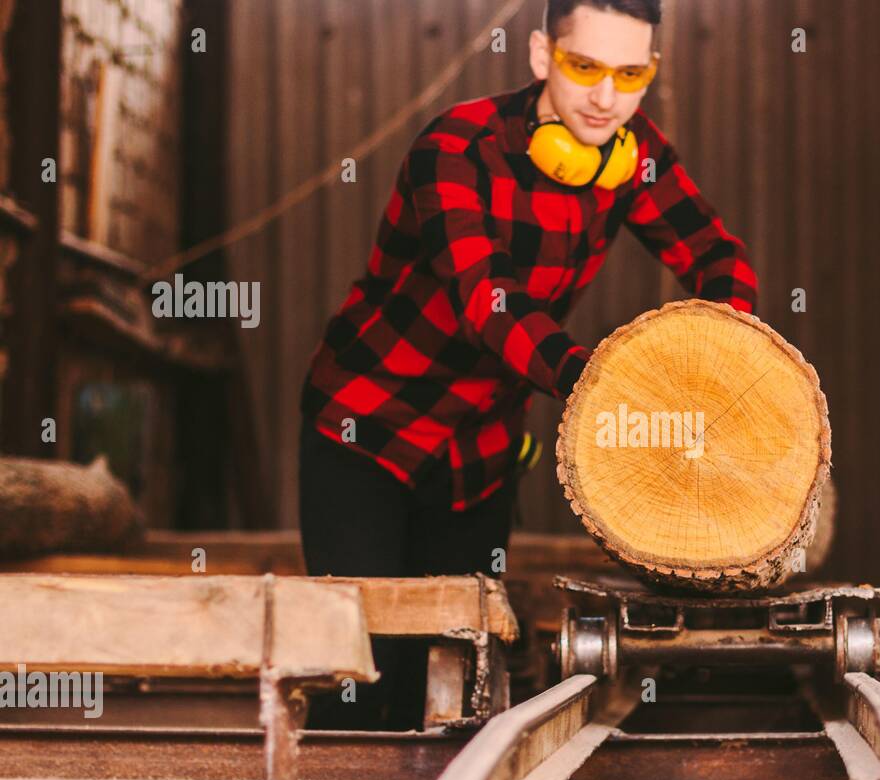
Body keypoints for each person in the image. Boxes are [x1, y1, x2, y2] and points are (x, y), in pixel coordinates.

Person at [297, 0, 757, 725]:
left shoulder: (633, 154)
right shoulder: (456, 146)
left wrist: (728, 351)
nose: (608, 97)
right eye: (586, 68)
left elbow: (713, 254)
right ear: (543, 55)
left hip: (480, 449)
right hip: (368, 433)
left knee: (453, 686)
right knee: (359, 684)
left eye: (631, 74)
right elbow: (489, 302)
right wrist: (601, 385)